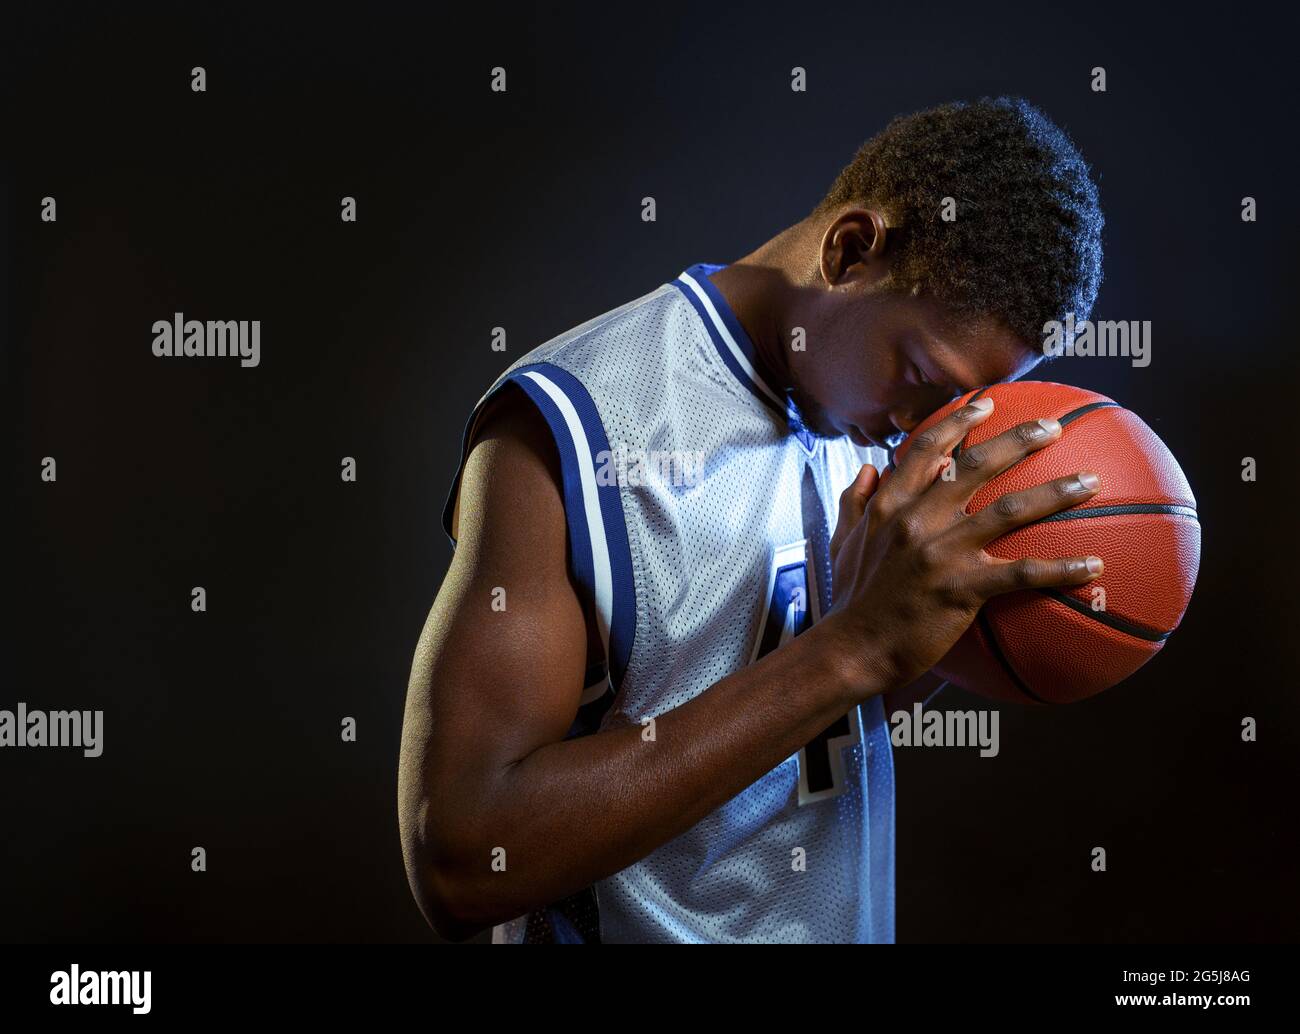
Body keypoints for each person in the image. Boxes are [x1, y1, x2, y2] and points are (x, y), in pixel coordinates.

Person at [398, 97, 1106, 943]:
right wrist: (852, 648)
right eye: (920, 371)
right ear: (851, 251)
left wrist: (955, 632)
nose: (926, 421)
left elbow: (815, 756)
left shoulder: (899, 442)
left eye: (965, 399)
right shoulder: (575, 424)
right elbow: (464, 861)